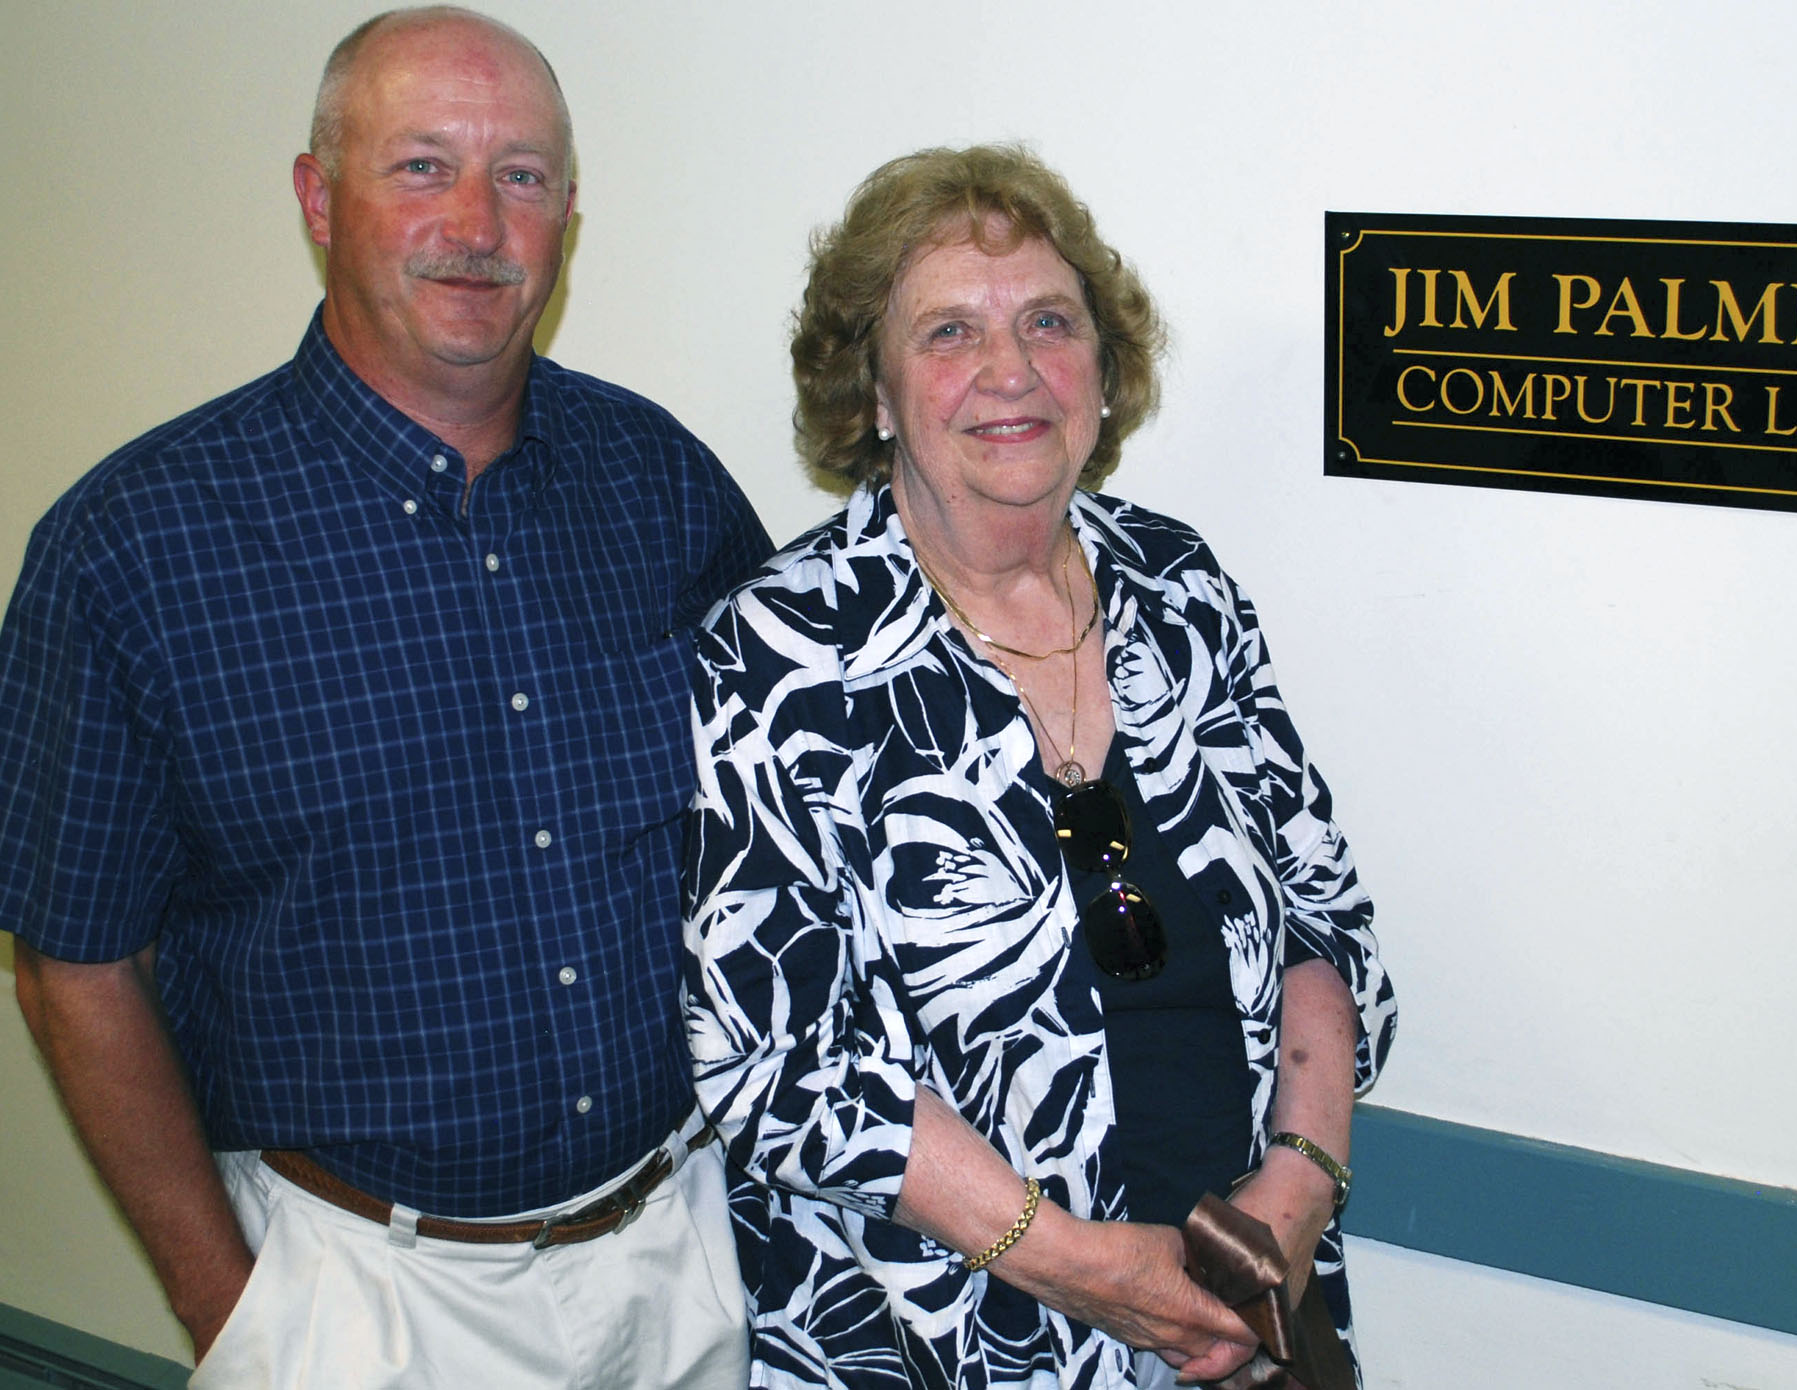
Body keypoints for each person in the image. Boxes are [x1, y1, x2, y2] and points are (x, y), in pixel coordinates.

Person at [1, 8, 769, 1386]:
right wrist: (233, 1312)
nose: (476, 222)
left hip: (680, 1258)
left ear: (568, 216)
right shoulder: (132, 549)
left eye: (522, 176)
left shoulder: (662, 487)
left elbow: (793, 812)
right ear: (316, 197)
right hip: (357, 1296)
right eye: (422, 167)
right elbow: (74, 966)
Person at [681, 144, 1397, 1390]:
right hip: (940, 1342)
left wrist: (1293, 1196)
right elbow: (773, 1064)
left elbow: (1320, 914)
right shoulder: (780, 655)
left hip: (1248, 1314)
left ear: (1102, 378)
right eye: (949, 330)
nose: (1008, 372)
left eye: (1047, 323)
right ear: (878, 392)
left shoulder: (1179, 588)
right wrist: (1078, 1265)